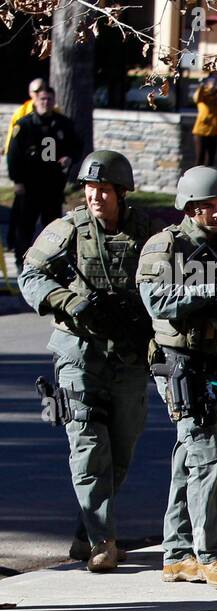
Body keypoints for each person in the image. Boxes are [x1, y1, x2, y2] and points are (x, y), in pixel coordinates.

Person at [18, 151, 155, 572]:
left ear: (122, 191)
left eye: (105, 189)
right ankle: (102, 540)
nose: (96, 195)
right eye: (90, 188)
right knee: (88, 446)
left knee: (121, 450)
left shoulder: (146, 231)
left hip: (129, 357)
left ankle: (87, 532)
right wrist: (69, 300)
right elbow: (31, 274)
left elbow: (175, 272)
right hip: (80, 353)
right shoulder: (68, 229)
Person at [136, 166, 217, 588]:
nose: (215, 213)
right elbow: (155, 299)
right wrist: (206, 291)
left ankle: (176, 553)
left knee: (190, 455)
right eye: (206, 207)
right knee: (206, 453)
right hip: (180, 363)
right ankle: (208, 554)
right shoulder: (166, 246)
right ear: (189, 209)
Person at [6, 85, 82, 268]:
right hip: (29, 185)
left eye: (49, 99)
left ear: (54, 101)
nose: (45, 103)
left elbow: (77, 145)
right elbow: (13, 155)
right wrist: (17, 180)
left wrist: (69, 158)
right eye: (42, 99)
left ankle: (51, 262)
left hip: (52, 185)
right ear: (35, 101)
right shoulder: (24, 125)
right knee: (25, 226)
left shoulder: (63, 123)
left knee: (52, 227)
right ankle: (20, 261)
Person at [4, 78, 55, 154]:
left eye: (43, 90)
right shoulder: (20, 113)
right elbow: (12, 138)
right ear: (30, 93)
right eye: (37, 91)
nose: (40, 93)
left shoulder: (55, 111)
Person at [191, 73, 217, 167]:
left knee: (211, 160)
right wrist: (203, 86)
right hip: (201, 131)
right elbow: (196, 98)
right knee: (200, 158)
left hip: (215, 131)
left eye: (216, 80)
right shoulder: (203, 93)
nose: (214, 82)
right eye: (212, 79)